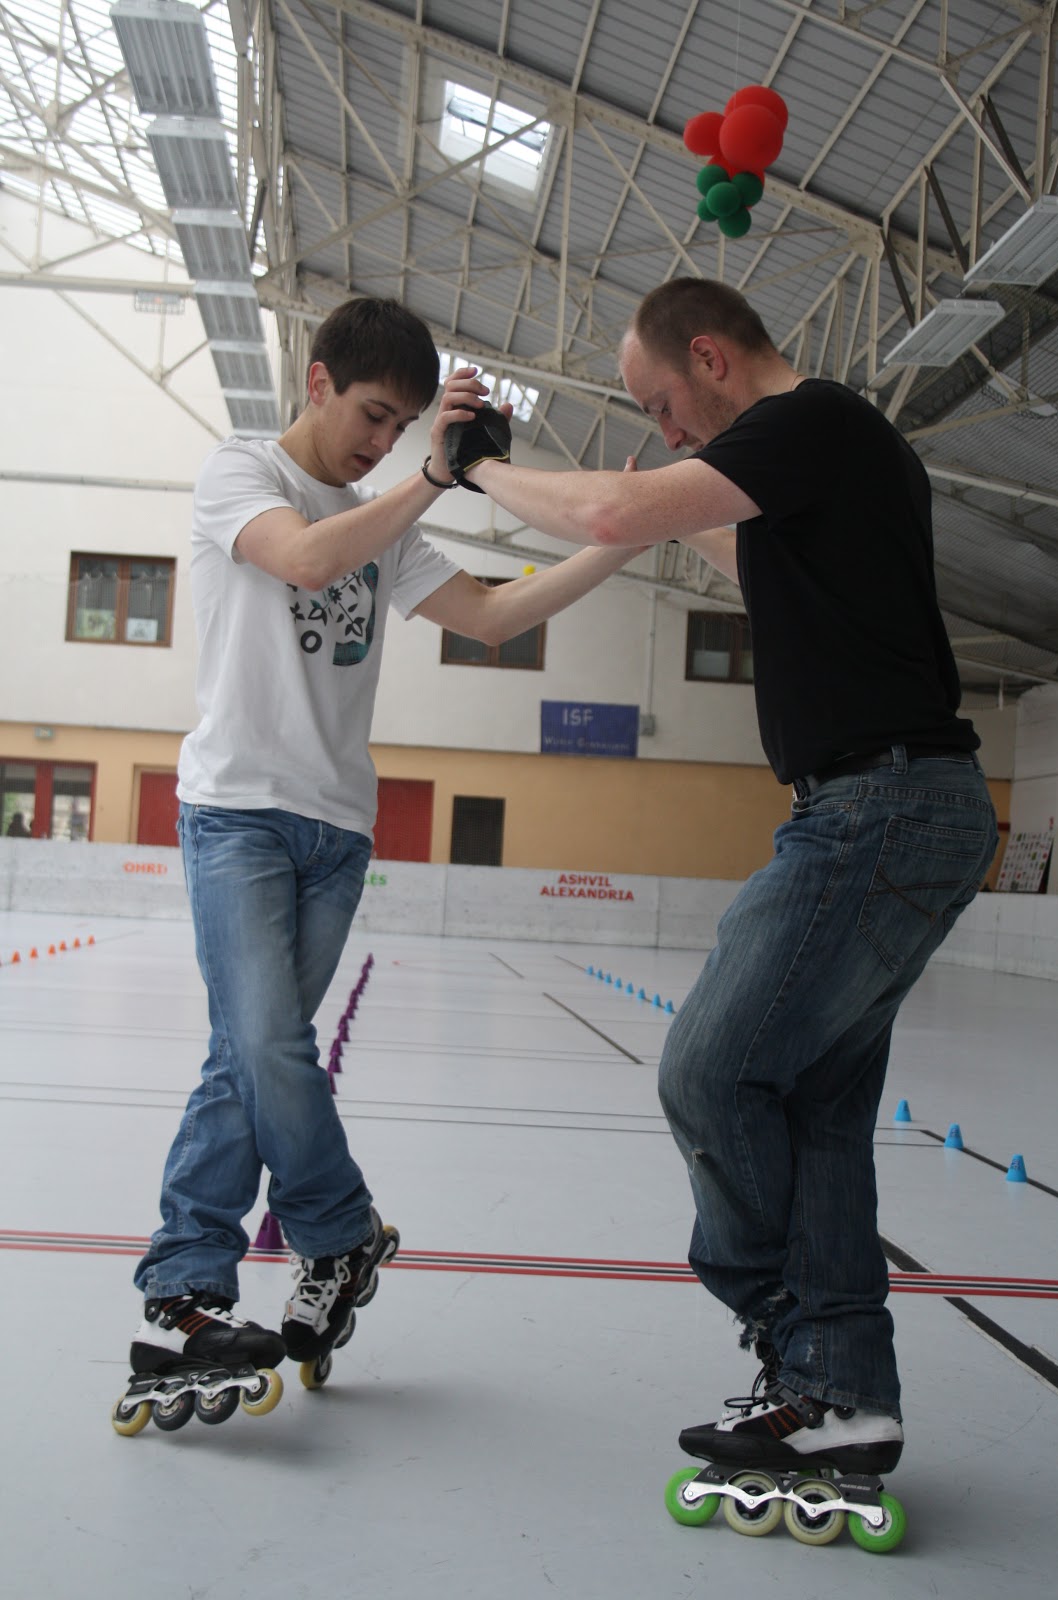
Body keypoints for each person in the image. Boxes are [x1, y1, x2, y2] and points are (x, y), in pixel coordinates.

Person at [449, 276, 999, 1481]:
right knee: (816, 1116)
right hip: (901, 808)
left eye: (660, 402)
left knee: (707, 1068)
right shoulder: (820, 460)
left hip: (876, 809)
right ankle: (844, 1397)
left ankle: (798, 1343)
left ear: (709, 357)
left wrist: (481, 469)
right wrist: (569, 484)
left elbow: (612, 512)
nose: (665, 431)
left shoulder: (809, 423)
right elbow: (682, 527)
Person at [128, 296, 642, 1391]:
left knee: (246, 1054)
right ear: (316, 383)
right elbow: (305, 560)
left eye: (402, 424)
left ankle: (189, 1287)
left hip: (336, 834)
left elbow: (495, 617)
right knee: (266, 1043)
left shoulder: (389, 520)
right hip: (236, 814)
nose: (380, 441)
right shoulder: (240, 475)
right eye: (371, 415)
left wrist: (616, 535)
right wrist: (431, 480)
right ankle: (338, 1228)